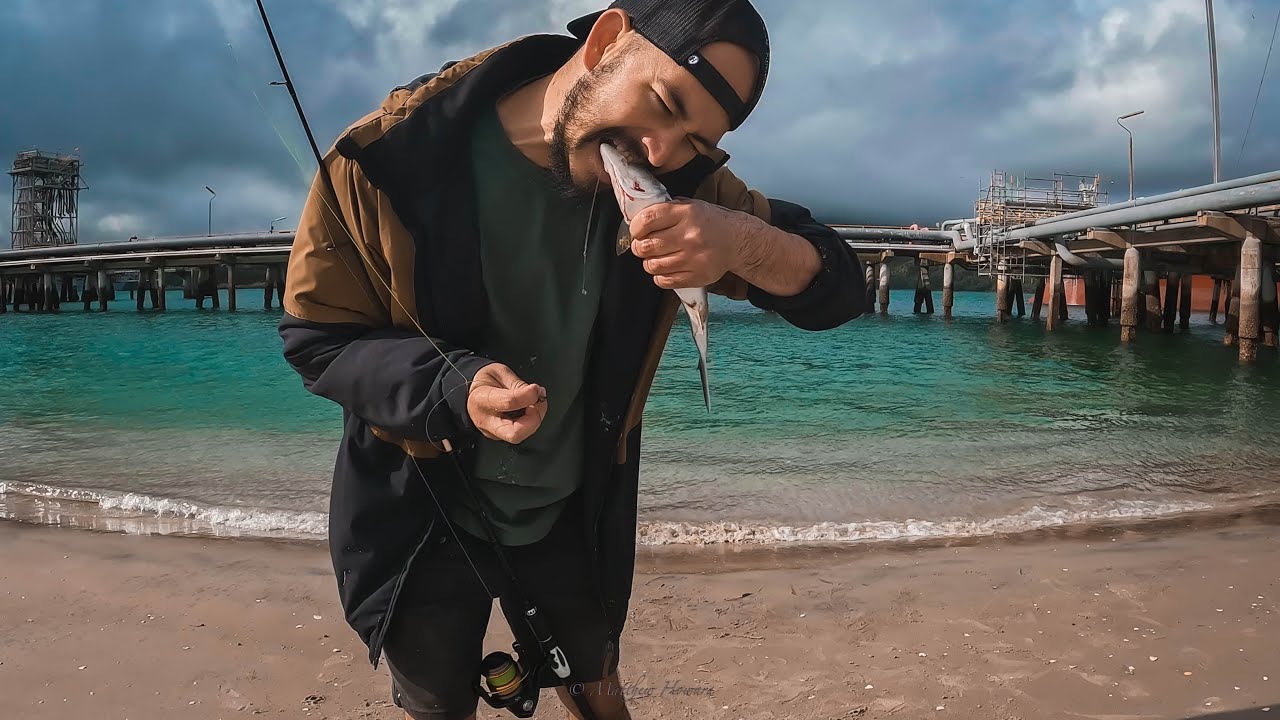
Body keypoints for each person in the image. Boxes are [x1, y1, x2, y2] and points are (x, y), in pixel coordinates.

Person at [277, 1, 867, 718]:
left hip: (573, 510)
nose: (659, 152)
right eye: (662, 102)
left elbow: (838, 285)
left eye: (692, 140)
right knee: (436, 706)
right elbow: (320, 341)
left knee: (598, 690)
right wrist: (452, 388)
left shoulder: (682, 185)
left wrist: (740, 243)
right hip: (418, 510)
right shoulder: (382, 159)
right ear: (608, 39)